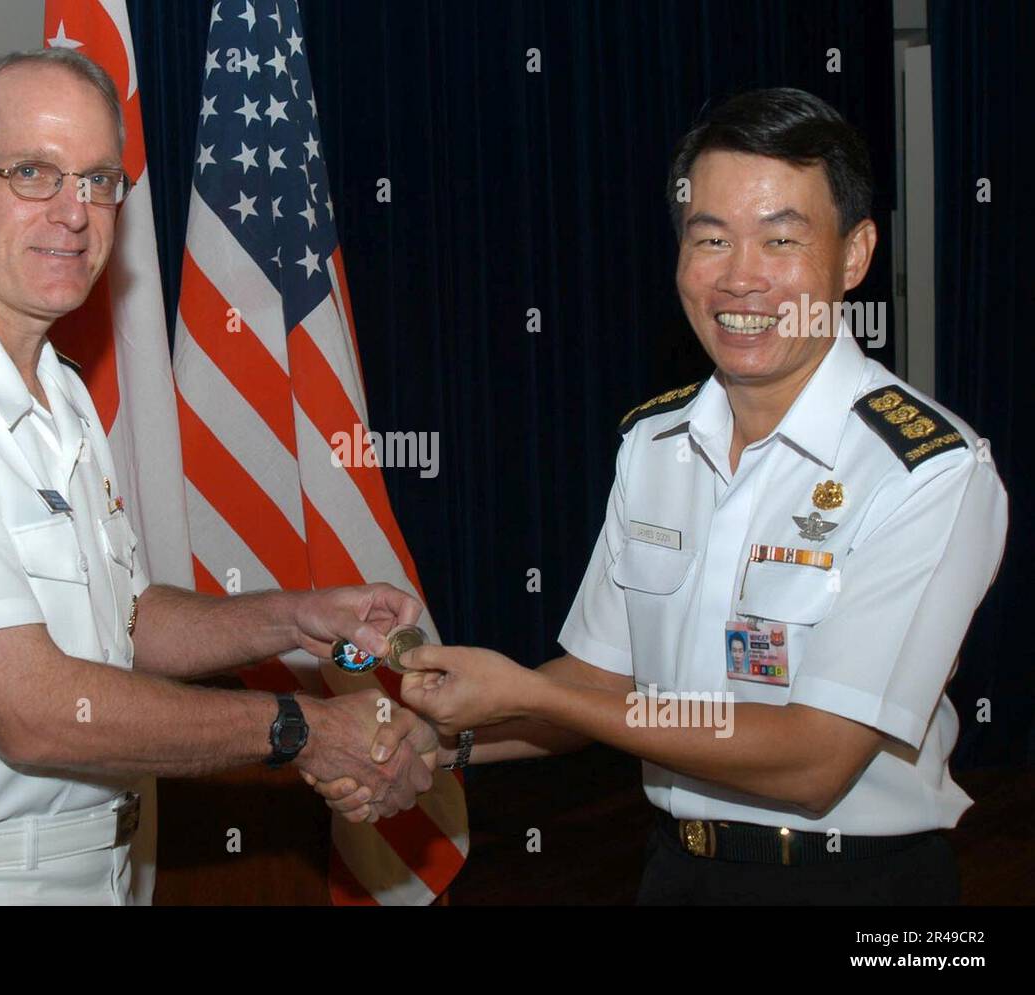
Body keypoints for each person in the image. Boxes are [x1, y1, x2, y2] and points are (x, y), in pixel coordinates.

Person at [313, 88, 1008, 905]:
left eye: (780, 239)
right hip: (673, 871)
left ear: (854, 256)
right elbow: (600, 685)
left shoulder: (928, 470)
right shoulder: (654, 444)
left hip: (858, 887)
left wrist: (528, 692)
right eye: (709, 237)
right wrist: (434, 740)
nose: (740, 277)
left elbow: (815, 757)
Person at [0, 48, 435, 906]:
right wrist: (302, 729)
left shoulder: (60, 390)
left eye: (97, 180)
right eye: (32, 173)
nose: (74, 212)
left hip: (106, 871)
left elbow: (122, 623)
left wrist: (292, 616)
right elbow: (34, 707)